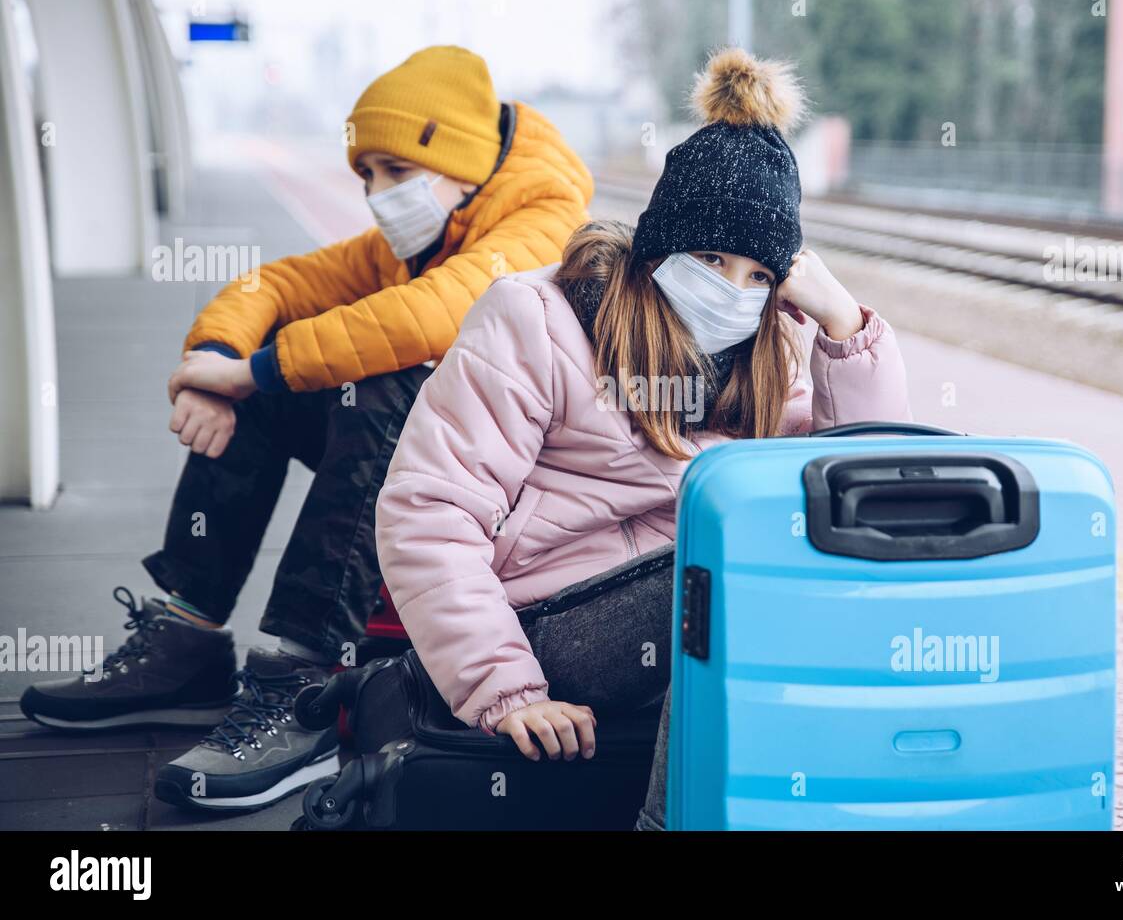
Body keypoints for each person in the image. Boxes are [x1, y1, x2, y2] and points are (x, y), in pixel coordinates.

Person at [19, 45, 595, 813]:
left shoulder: (543, 219)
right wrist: (218, 365)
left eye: (395, 170)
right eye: (366, 175)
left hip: (525, 491)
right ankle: (189, 638)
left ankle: (306, 683)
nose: (377, 195)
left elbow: (434, 317)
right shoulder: (420, 237)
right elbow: (276, 284)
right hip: (445, 473)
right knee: (279, 382)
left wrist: (258, 368)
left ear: (459, 162)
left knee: (388, 380)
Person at [374, 48, 913, 826]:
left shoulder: (769, 354)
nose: (732, 290)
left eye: (759, 275)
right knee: (729, 585)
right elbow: (430, 508)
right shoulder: (539, 320)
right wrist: (506, 688)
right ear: (659, 248)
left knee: (813, 580)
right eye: (710, 258)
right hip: (545, 621)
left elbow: (855, 497)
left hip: (685, 612)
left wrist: (844, 326)